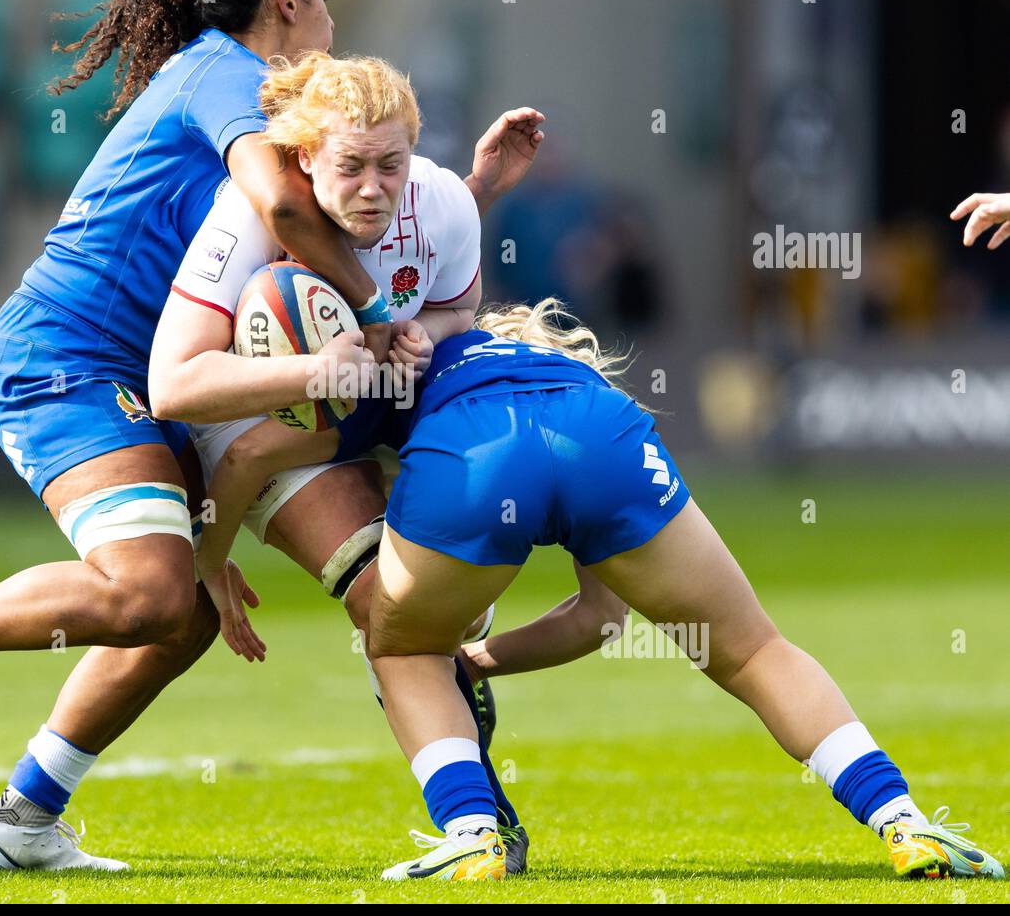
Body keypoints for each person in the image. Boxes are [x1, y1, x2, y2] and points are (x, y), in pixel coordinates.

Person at [0, 0, 392, 871]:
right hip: (61, 356)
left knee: (184, 616)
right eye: (326, 0)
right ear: (288, 1)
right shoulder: (227, 74)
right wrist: (372, 312)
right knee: (147, 592)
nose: (332, 22)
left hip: (132, 376)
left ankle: (19, 823)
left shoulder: (220, 77)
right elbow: (286, 206)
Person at [212, 297, 1005, 883]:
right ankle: (904, 822)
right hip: (601, 434)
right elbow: (600, 619)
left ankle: (473, 834)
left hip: (473, 449)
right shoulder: (565, 372)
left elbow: (249, 457)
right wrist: (482, 663)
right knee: (753, 648)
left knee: (406, 646)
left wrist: (207, 558)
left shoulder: (409, 362)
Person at [146, 51, 550, 871]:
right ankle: (480, 826)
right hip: (255, 414)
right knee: (390, 609)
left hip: (370, 400)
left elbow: (455, 308)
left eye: (390, 165)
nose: (373, 188)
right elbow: (174, 388)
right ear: (302, 160)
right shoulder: (246, 220)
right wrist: (307, 374)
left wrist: (421, 337)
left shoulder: (440, 200)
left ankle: (476, 814)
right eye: (350, 167)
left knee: (442, 618)